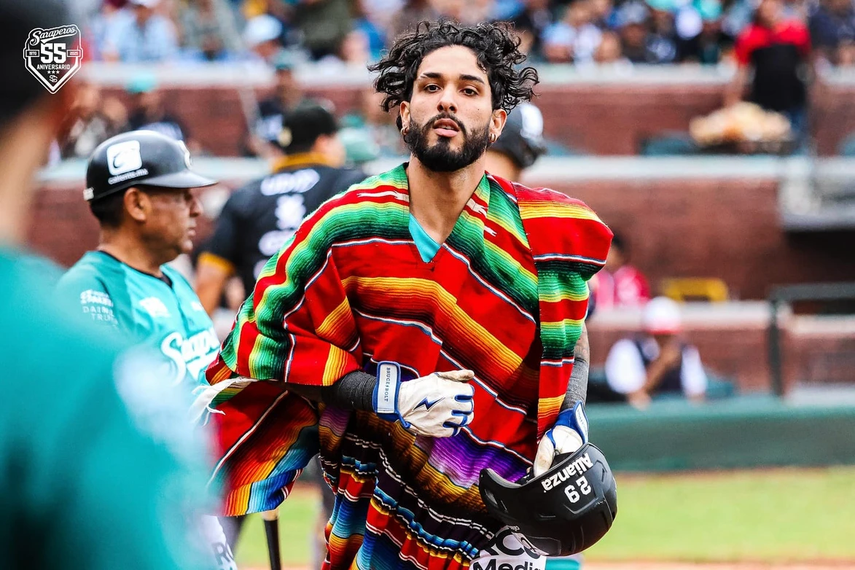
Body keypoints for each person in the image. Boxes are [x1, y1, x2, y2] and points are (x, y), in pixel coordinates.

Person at [200, 20, 613, 570]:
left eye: (469, 90)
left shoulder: (546, 231)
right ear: (402, 110)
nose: (447, 100)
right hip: (379, 524)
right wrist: (388, 396)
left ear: (495, 121)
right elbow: (267, 344)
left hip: (509, 530)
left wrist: (570, 418)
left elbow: (571, 338)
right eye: (430, 86)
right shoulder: (345, 227)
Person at [0, 1, 208, 568]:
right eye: (179, 193)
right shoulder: (83, 362)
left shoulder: (175, 286)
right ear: (67, 103)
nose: (197, 205)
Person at [196, 103, 366, 317]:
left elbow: (209, 279)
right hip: (331, 334)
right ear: (324, 142)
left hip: (263, 337)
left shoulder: (245, 194)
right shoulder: (350, 182)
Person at [725, 0, 812, 146]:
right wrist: (731, 105)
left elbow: (809, 64)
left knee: (796, 145)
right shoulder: (749, 36)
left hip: (793, 102)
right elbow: (741, 73)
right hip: (764, 104)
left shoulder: (797, 32)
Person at [604, 296, 707, 409]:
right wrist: (660, 365)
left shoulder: (686, 351)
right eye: (659, 335)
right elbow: (633, 398)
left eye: (668, 335)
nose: (664, 340)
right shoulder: (626, 350)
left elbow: (697, 395)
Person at [590, 232, 651, 310]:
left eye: (609, 252)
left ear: (620, 254)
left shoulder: (633, 279)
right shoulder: (595, 278)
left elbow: (642, 305)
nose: (606, 257)